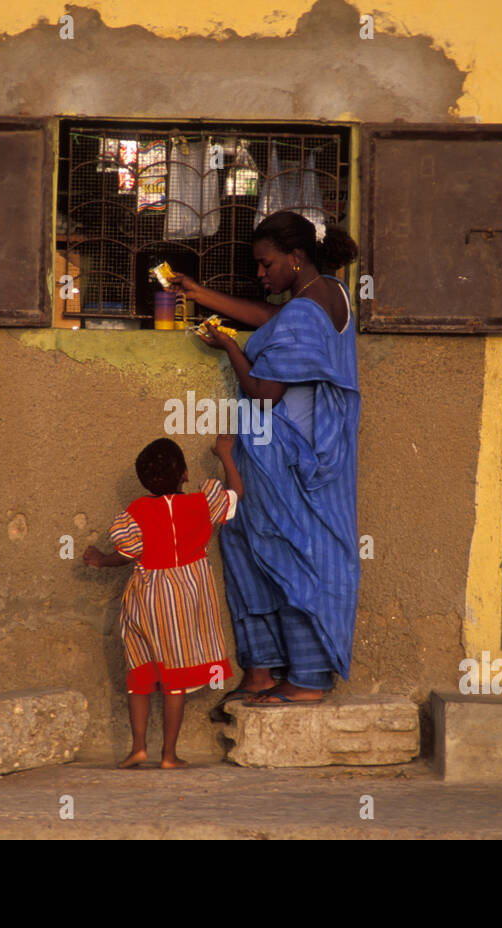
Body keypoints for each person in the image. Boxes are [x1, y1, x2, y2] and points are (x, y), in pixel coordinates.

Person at [168, 210, 361, 706]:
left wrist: (230, 348)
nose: (260, 274)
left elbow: (263, 395)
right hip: (311, 461)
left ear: (295, 258)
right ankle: (264, 673)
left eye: (266, 263)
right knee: (269, 553)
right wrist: (199, 293)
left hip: (284, 462)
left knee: (281, 558)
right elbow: (271, 317)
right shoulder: (330, 294)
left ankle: (306, 679)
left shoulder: (301, 312)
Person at [83, 436, 243, 767]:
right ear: (184, 473)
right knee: (175, 681)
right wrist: (226, 456)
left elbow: (126, 555)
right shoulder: (202, 504)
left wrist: (99, 560)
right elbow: (235, 494)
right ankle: (168, 754)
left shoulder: (137, 513)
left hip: (144, 600)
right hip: (183, 602)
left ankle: (138, 747)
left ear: (144, 481)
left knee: (140, 675)